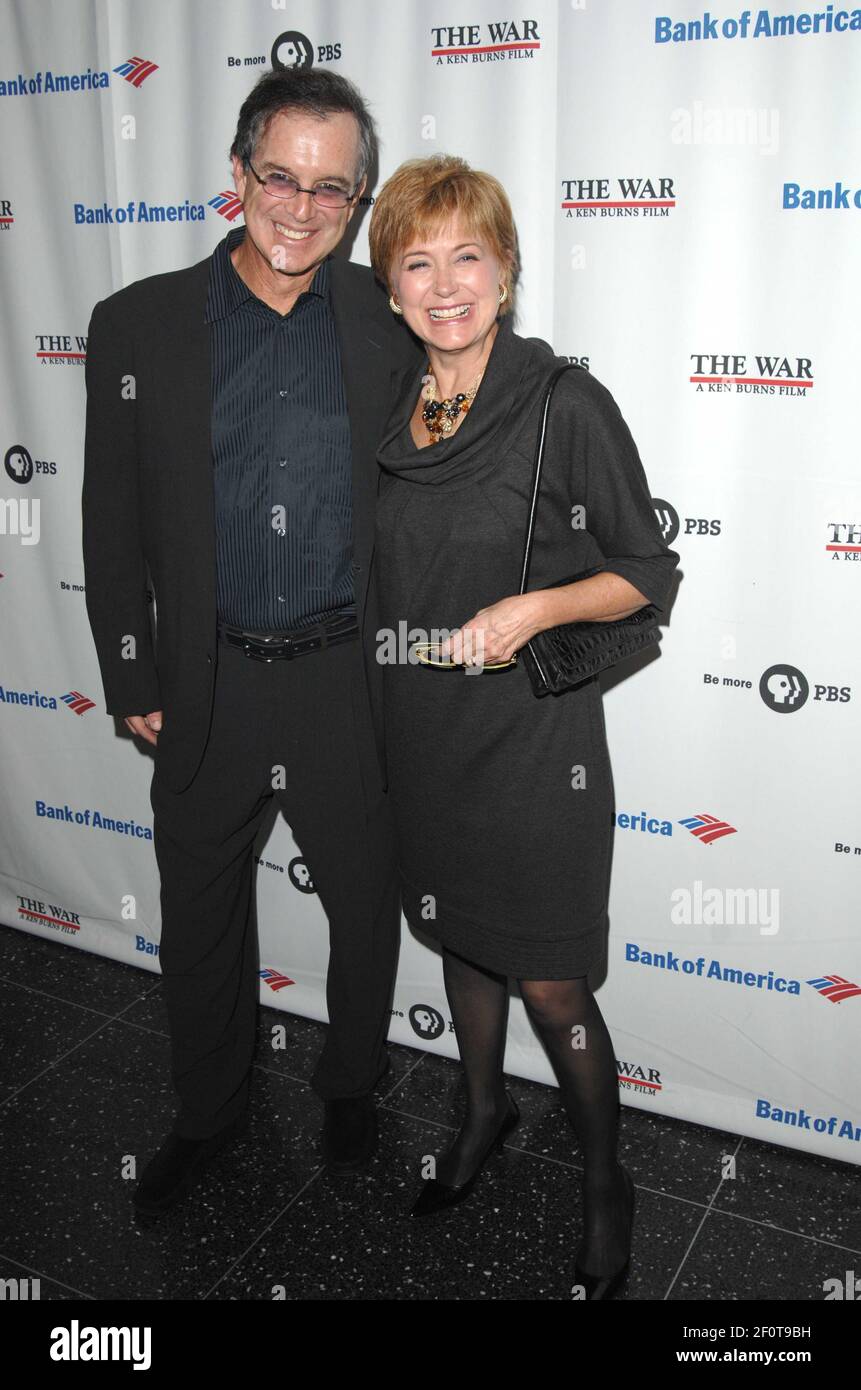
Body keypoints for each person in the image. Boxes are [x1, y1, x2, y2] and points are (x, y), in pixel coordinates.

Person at [81, 68, 423, 1219]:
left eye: (333, 188)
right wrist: (132, 670)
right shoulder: (137, 325)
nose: (300, 206)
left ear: (360, 200)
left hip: (345, 677)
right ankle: (209, 1110)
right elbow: (110, 515)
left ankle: (351, 1079)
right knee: (201, 914)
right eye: (280, 174)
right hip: (208, 678)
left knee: (367, 898)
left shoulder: (393, 320)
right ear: (237, 176)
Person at [367, 155, 680, 1298]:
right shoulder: (390, 404)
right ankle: (484, 1108)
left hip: (535, 751)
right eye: (417, 259)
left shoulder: (563, 402)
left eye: (468, 256)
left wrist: (537, 605)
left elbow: (647, 574)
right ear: (390, 285)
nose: (444, 283)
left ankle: (607, 1180)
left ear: (506, 274)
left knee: (553, 983)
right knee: (460, 940)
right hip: (424, 736)